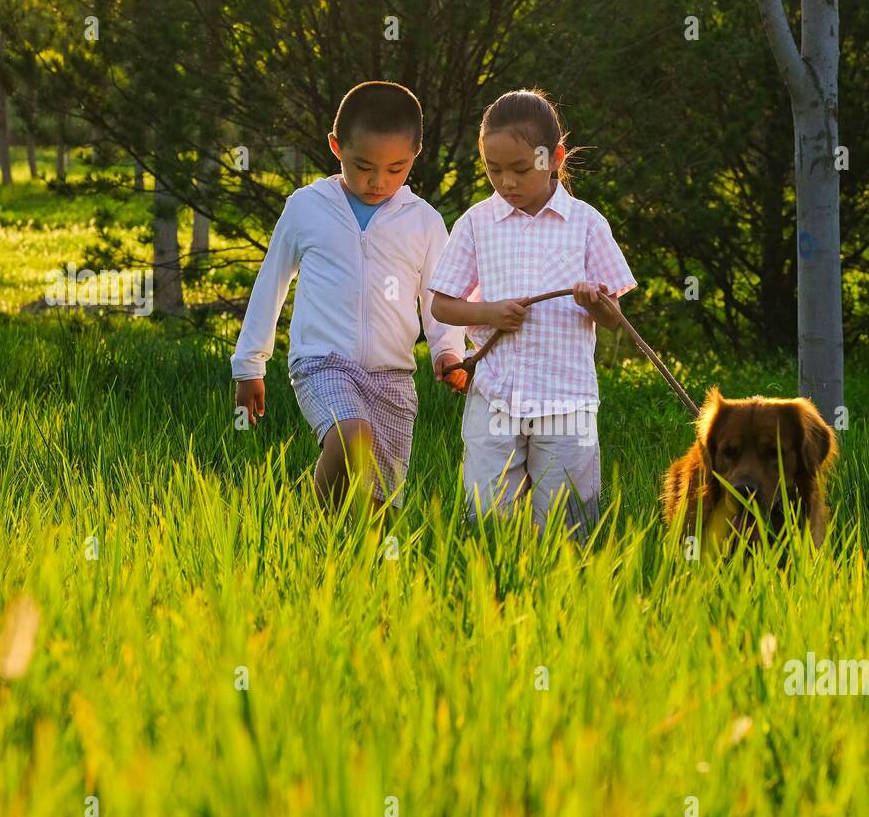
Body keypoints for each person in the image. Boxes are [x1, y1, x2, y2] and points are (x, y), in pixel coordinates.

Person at [231, 81, 467, 513]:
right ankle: (314, 526)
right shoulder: (307, 208)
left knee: (381, 507)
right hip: (323, 361)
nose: (378, 181)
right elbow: (272, 284)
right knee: (351, 436)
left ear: (415, 154)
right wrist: (249, 365)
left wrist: (448, 352)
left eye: (396, 169)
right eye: (363, 166)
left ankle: (347, 555)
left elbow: (440, 296)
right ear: (336, 147)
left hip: (393, 376)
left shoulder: (424, 222)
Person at [428, 88, 636, 539]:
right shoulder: (476, 223)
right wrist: (489, 312)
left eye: (520, 169)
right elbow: (442, 304)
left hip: (567, 399)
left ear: (555, 157)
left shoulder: (586, 223)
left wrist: (594, 301)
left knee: (567, 524)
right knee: (488, 515)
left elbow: (614, 316)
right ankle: (495, 591)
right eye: (493, 169)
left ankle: (564, 596)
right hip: (495, 394)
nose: (507, 182)